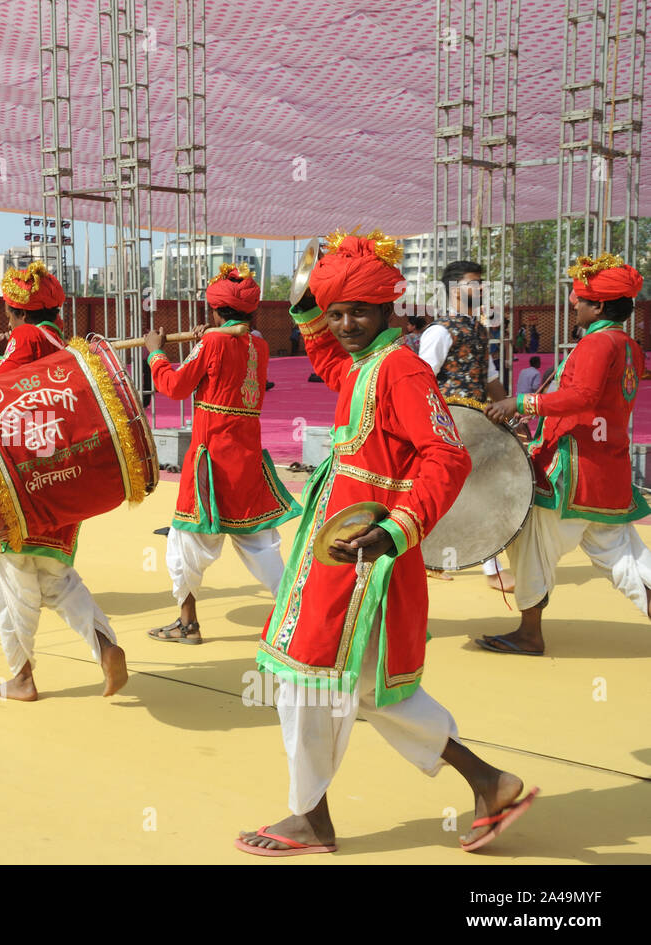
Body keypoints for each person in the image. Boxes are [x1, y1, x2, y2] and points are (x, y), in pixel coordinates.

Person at [236, 230, 536, 857]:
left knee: (306, 681)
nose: (345, 323)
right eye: (337, 311)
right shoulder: (367, 364)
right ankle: (491, 783)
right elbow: (327, 356)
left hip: (363, 553)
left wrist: (397, 530)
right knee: (371, 686)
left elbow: (447, 457)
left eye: (358, 312)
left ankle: (311, 821)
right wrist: (305, 297)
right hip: (346, 546)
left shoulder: (399, 366)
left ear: (388, 311)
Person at [0, 261, 128, 702]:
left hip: (20, 484)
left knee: (6, 583)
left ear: (14, 310)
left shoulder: (23, 339)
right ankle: (104, 646)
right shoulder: (66, 346)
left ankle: (21, 676)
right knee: (55, 580)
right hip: (57, 480)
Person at [481, 254, 651, 654]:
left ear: (600, 306)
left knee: (532, 545)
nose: (574, 304)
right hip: (606, 472)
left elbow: (584, 397)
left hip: (571, 474)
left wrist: (520, 404)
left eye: (580, 298)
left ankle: (529, 634)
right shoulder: (628, 346)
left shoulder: (597, 343)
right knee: (625, 558)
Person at [142, 263, 302, 644]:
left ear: (215, 311)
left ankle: (188, 624)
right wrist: (206, 339)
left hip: (211, 457)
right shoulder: (259, 345)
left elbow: (176, 386)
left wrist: (155, 353)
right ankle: (298, 618)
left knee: (185, 539)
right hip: (245, 459)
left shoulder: (213, 342)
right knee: (261, 542)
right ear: (253, 312)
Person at [420, 260, 513, 591]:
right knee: (470, 492)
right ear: (455, 290)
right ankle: (490, 569)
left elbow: (489, 377)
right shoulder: (439, 331)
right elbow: (421, 380)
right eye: (476, 283)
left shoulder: (477, 329)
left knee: (472, 493)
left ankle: (436, 559)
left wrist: (509, 411)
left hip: (475, 426)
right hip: (448, 426)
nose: (483, 289)